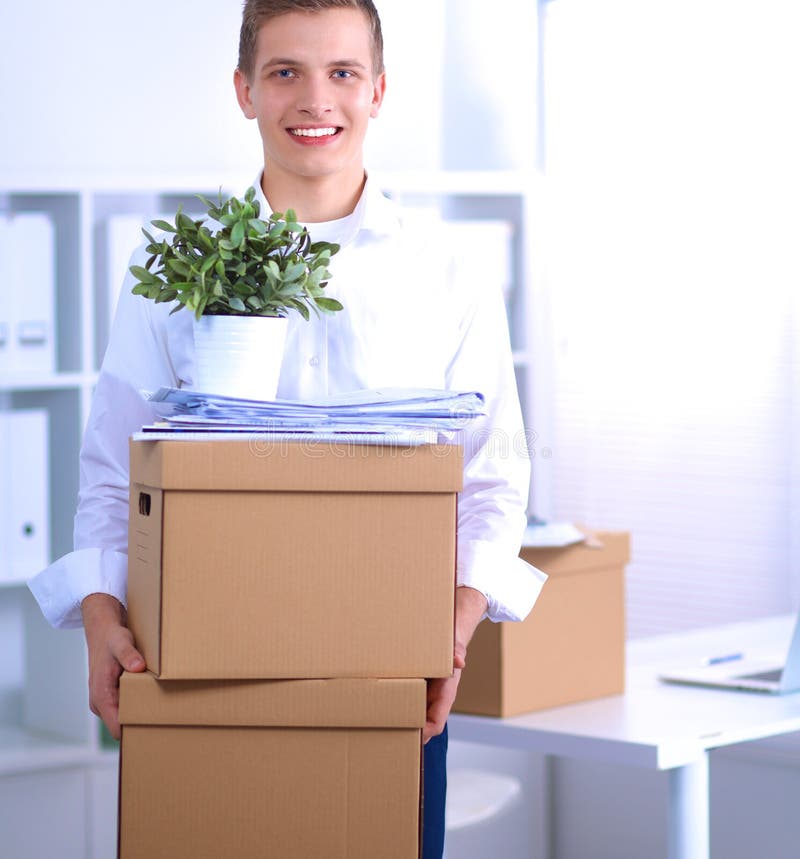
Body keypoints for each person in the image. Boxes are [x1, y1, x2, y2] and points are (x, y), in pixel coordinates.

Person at [29, 1, 545, 857]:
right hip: (195, 665)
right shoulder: (173, 273)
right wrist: (98, 614)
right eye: (285, 73)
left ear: (379, 91)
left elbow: (494, 469)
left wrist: (451, 629)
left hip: (389, 670)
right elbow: (115, 466)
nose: (317, 100)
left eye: (343, 73)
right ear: (243, 91)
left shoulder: (445, 272)